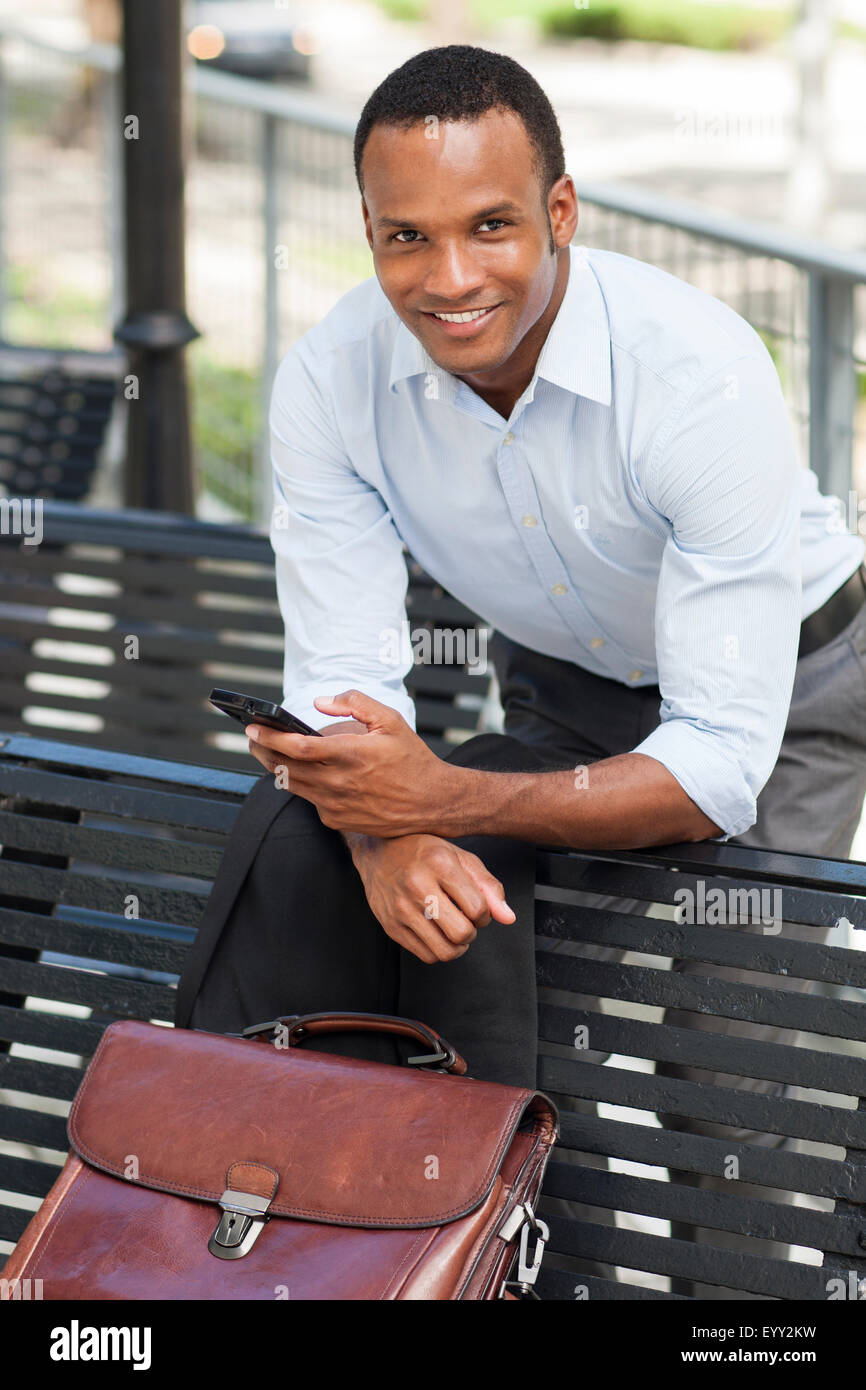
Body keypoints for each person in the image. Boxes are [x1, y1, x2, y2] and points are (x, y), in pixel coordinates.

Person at [175, 46, 866, 1297]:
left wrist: (430, 798)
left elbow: (713, 766)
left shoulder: (693, 374)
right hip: (561, 680)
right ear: (368, 231)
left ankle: (760, 1317)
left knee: (742, 1040)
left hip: (791, 686)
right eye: (404, 237)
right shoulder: (333, 379)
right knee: (493, 950)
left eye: (490, 225)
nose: (448, 280)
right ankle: (482, 1271)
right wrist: (385, 834)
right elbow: (343, 691)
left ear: (559, 213)